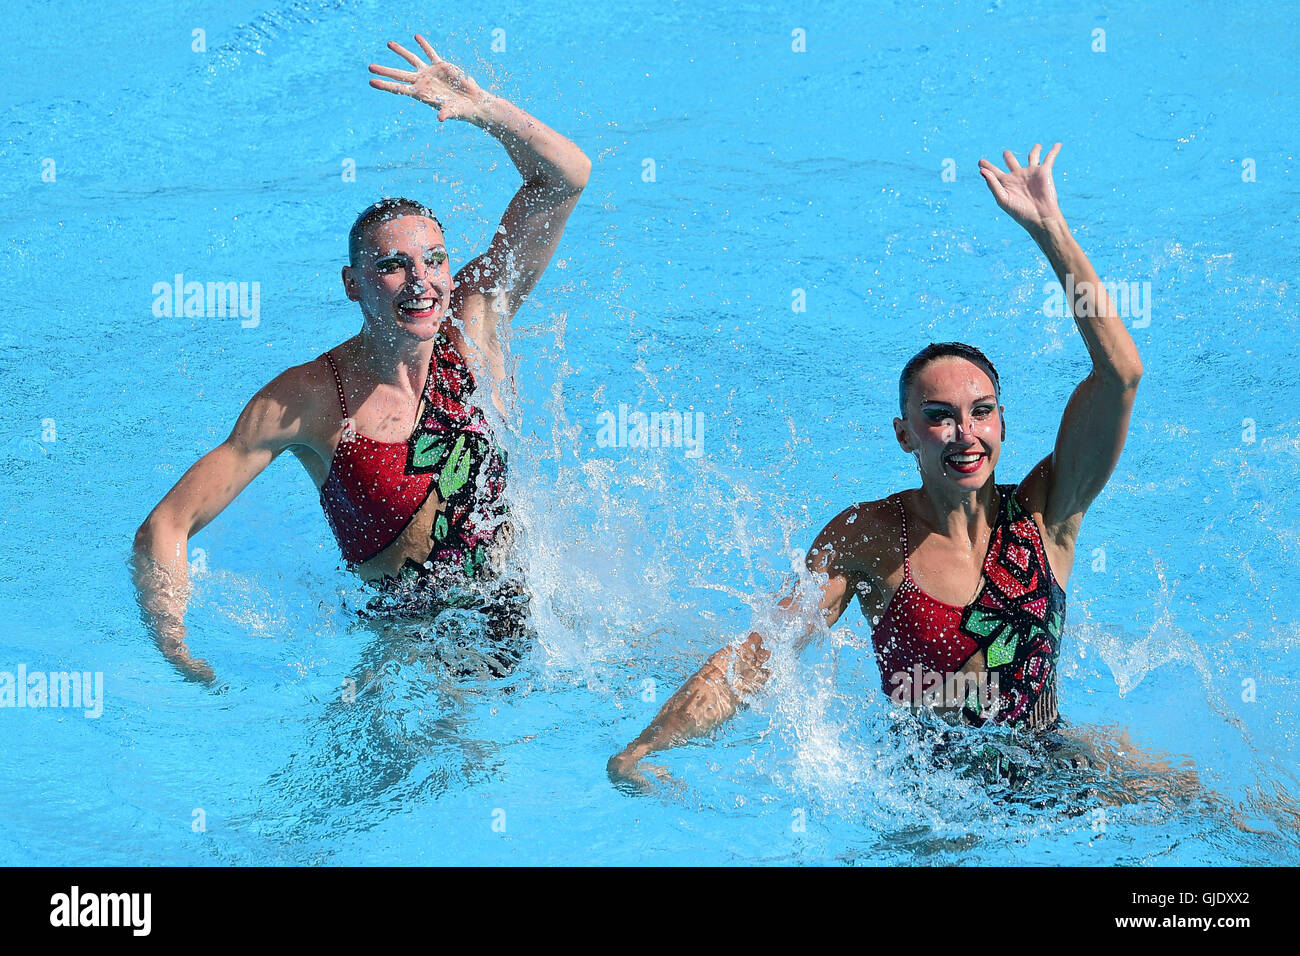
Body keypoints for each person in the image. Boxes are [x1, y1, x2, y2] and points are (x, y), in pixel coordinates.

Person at [608, 142, 1146, 789]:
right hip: (933, 798)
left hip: (1052, 763)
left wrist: (1051, 232)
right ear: (904, 434)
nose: (964, 433)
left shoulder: (1044, 513)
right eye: (940, 415)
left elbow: (1120, 374)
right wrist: (643, 747)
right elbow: (757, 659)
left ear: (1002, 423)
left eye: (981, 412)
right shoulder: (867, 537)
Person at [132, 34, 591, 683]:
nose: (423, 282)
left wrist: (482, 107)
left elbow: (565, 178)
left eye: (434, 261)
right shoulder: (308, 399)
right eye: (393, 267)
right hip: (415, 647)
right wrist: (175, 646)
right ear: (353, 284)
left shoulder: (476, 322)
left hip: (527, 601)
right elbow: (166, 527)